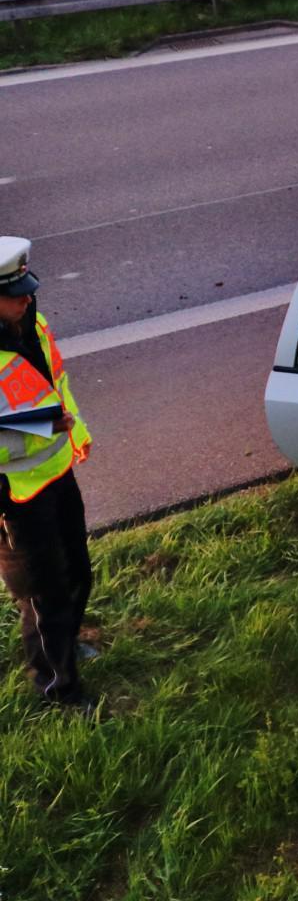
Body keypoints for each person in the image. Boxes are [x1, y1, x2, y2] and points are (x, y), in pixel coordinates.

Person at [0, 237, 96, 712]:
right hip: (13, 493)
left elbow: (55, 384)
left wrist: (69, 433)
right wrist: (40, 425)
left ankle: (65, 648)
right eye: (14, 295)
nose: (27, 299)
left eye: (27, 290)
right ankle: (59, 690)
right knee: (44, 596)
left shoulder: (31, 321)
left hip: (56, 472)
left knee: (77, 571)